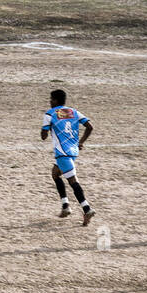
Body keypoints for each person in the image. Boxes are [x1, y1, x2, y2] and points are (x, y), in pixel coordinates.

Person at [42, 89, 95, 223]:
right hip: (72, 151)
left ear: (55, 101)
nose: (49, 101)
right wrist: (81, 142)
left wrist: (45, 131)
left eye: (51, 99)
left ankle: (87, 209)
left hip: (62, 153)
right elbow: (89, 127)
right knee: (55, 173)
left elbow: (43, 136)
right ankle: (65, 206)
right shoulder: (73, 111)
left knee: (73, 181)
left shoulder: (50, 114)